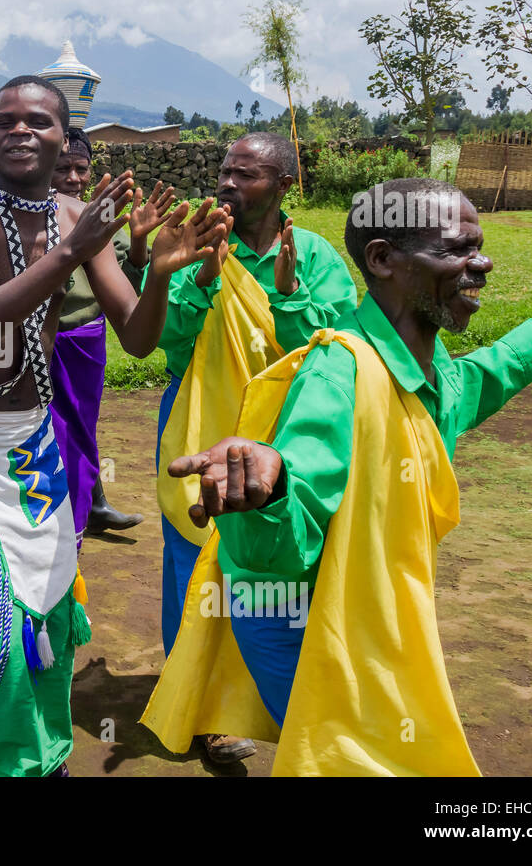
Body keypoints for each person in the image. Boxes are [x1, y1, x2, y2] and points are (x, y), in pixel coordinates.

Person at [142, 178, 532, 775]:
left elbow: (472, 386)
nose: (480, 263)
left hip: (353, 609)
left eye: (479, 247)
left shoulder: (418, 367)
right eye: (457, 249)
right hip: (292, 613)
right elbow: (286, 530)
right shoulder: (341, 373)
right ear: (383, 259)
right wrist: (270, 492)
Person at [0, 76, 227, 777]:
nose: (19, 131)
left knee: (46, 610)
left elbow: (139, 339)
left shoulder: (74, 213)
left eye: (37, 121)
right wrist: (70, 251)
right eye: (5, 120)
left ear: (64, 137)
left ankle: (29, 748)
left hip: (30, 439)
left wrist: (160, 275)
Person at [139, 132, 357, 763]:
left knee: (269, 574)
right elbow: (165, 339)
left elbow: (334, 353)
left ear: (285, 184)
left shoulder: (313, 258)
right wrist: (203, 278)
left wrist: (289, 297)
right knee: (194, 563)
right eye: (226, 171)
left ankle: (274, 697)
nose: (229, 183)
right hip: (199, 424)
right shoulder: (197, 243)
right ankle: (203, 710)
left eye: (248, 174)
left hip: (281, 436)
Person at [47, 126, 153, 542]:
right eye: (63, 169)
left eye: (81, 169)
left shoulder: (101, 217)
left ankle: (87, 505)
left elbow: (125, 288)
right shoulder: (30, 214)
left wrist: (141, 246)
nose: (73, 178)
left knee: (80, 425)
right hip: (40, 338)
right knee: (50, 427)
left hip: (85, 339)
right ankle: (71, 513)